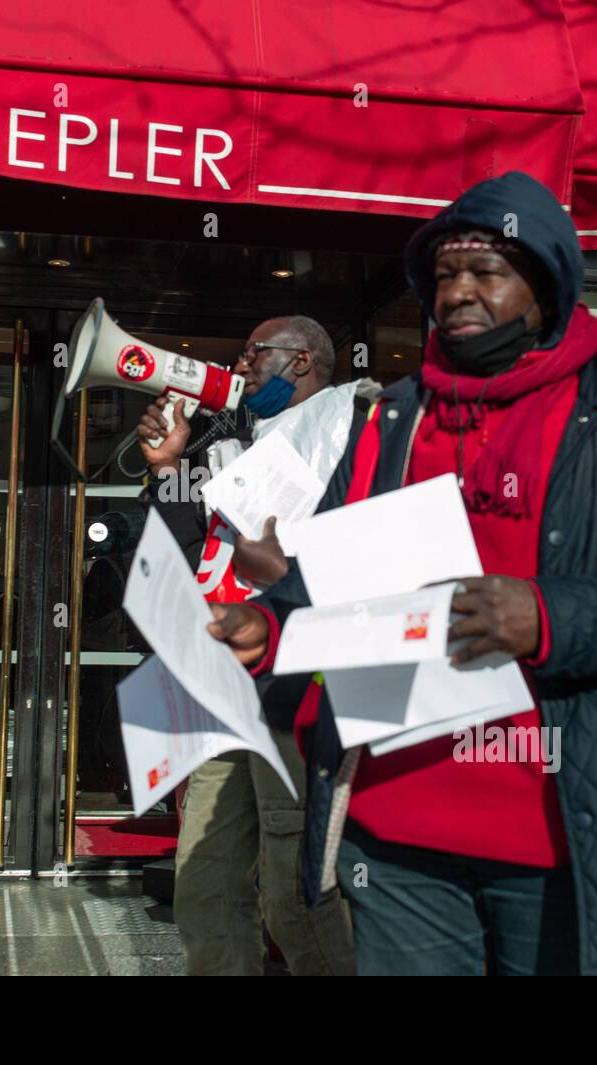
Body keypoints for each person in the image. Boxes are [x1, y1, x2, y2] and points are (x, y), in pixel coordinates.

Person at [206, 171, 597, 976]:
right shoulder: (387, 422)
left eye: (487, 271)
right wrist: (270, 625)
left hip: (575, 839)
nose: (459, 291)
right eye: (443, 274)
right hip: (395, 841)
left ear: (545, 287)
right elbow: (325, 576)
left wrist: (549, 618)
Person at [137, 316, 372, 975]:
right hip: (222, 684)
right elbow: (189, 561)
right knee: (204, 884)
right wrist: (167, 470)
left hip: (296, 686)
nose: (240, 365)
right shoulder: (229, 446)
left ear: (302, 362)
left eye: (253, 352)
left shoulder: (352, 428)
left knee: (294, 888)